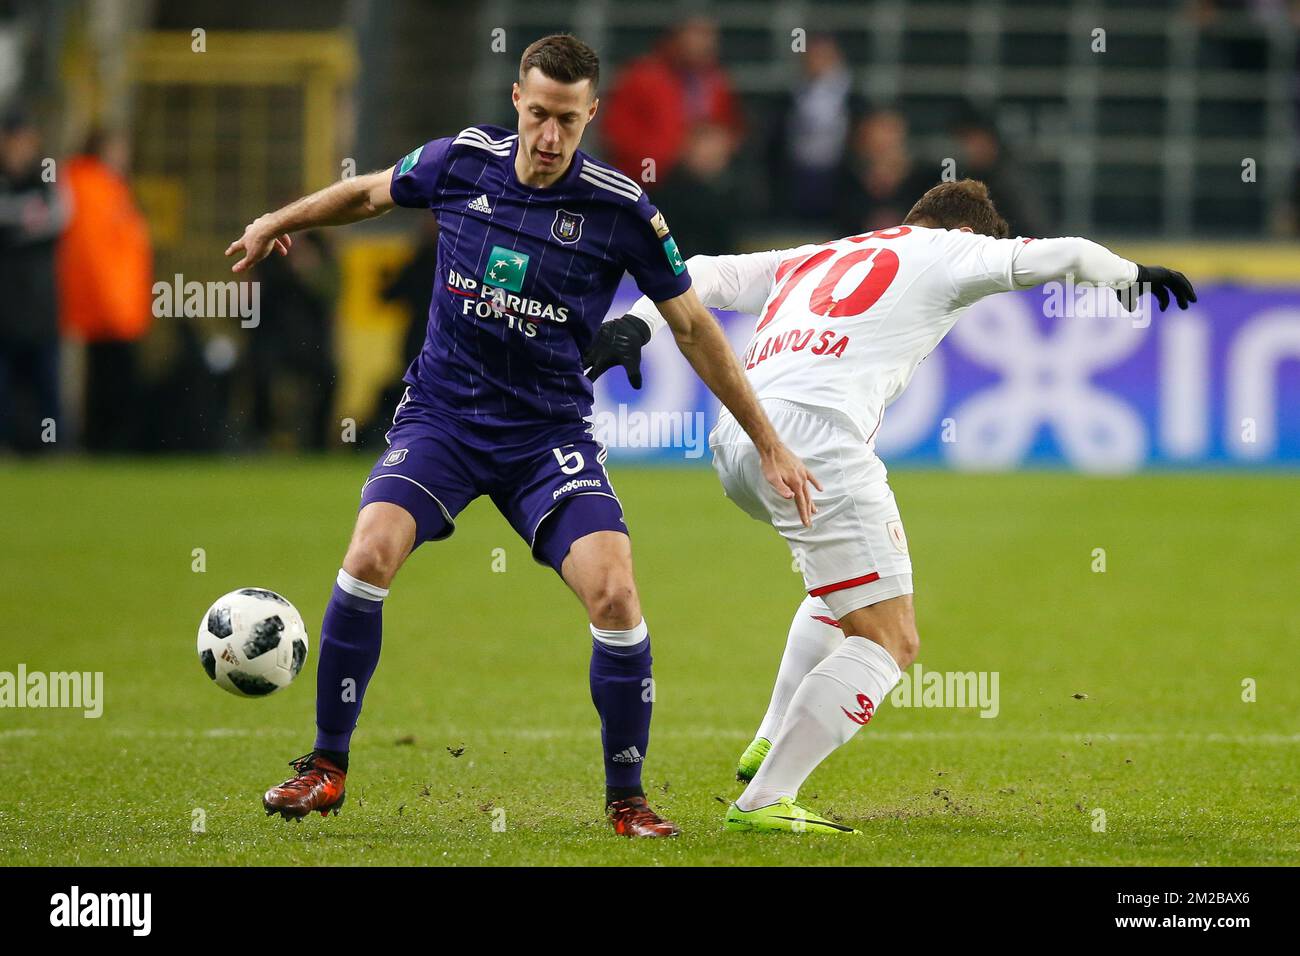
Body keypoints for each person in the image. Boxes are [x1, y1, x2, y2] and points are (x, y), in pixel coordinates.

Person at [224, 34, 816, 838]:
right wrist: (273, 221)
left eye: (566, 121)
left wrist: (771, 441)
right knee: (368, 552)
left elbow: (695, 329)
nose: (548, 136)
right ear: (516, 99)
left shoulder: (622, 210)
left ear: (590, 115)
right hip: (445, 419)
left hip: (547, 436)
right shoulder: (461, 162)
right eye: (538, 114)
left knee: (614, 591)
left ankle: (627, 800)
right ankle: (326, 767)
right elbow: (367, 194)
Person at [591, 179, 1195, 832]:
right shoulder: (952, 250)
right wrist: (1130, 274)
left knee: (841, 591)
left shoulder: (826, 253)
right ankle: (766, 799)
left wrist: (635, 323)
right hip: (812, 441)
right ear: (964, 232)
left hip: (741, 438)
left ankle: (771, 732)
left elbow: (701, 273)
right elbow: (1068, 253)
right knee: (890, 640)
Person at [58, 128, 153, 453]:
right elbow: (94, 253)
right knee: (110, 381)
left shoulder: (108, 187)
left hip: (118, 304)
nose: (124, 156)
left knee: (108, 378)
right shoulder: (92, 187)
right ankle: (106, 445)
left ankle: (106, 443)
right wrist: (113, 302)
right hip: (110, 306)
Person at [601, 17, 743, 183]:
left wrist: (720, 145)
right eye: (695, 34)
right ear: (677, 36)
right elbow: (617, 132)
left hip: (705, 176)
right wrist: (676, 151)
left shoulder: (717, 80)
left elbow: (731, 126)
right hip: (651, 175)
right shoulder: (641, 76)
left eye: (707, 36)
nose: (702, 43)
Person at [0, 109, 68, 453]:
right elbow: (36, 220)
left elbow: (60, 217)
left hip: (39, 299)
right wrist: (24, 219)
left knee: (46, 378)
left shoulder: (47, 173)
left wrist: (13, 225)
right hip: (5, 299)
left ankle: (53, 446)